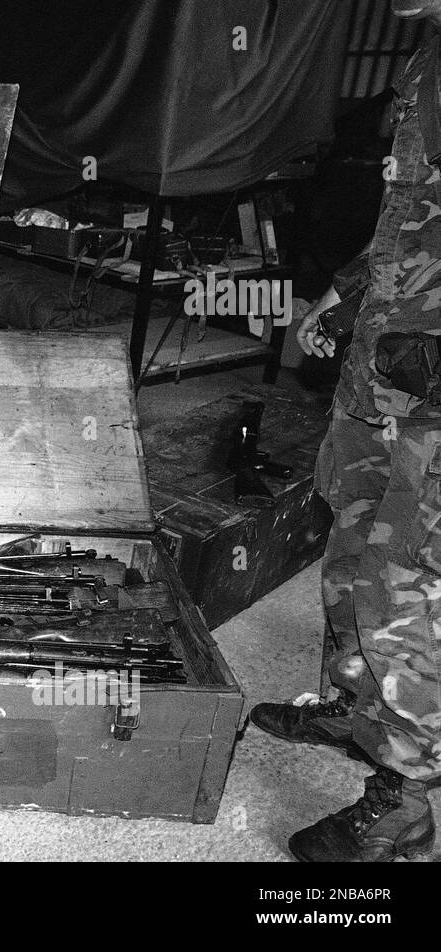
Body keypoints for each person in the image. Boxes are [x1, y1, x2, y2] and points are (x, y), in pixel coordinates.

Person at [250, 1, 441, 861]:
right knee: (353, 531)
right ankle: (357, 706)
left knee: (411, 581)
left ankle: (403, 801)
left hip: (434, 389)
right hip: (388, 359)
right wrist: (348, 290)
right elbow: (416, 215)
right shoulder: (429, 51)